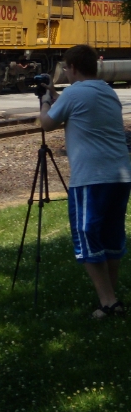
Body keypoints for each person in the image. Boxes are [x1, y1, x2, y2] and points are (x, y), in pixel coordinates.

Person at [40, 44, 131, 318]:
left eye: (66, 68)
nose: (66, 72)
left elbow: (46, 123)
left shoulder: (75, 92)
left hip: (91, 177)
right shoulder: (107, 91)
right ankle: (110, 299)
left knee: (87, 237)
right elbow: (81, 110)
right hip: (121, 174)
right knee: (111, 237)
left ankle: (108, 302)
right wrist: (58, 97)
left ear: (74, 68)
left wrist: (46, 100)